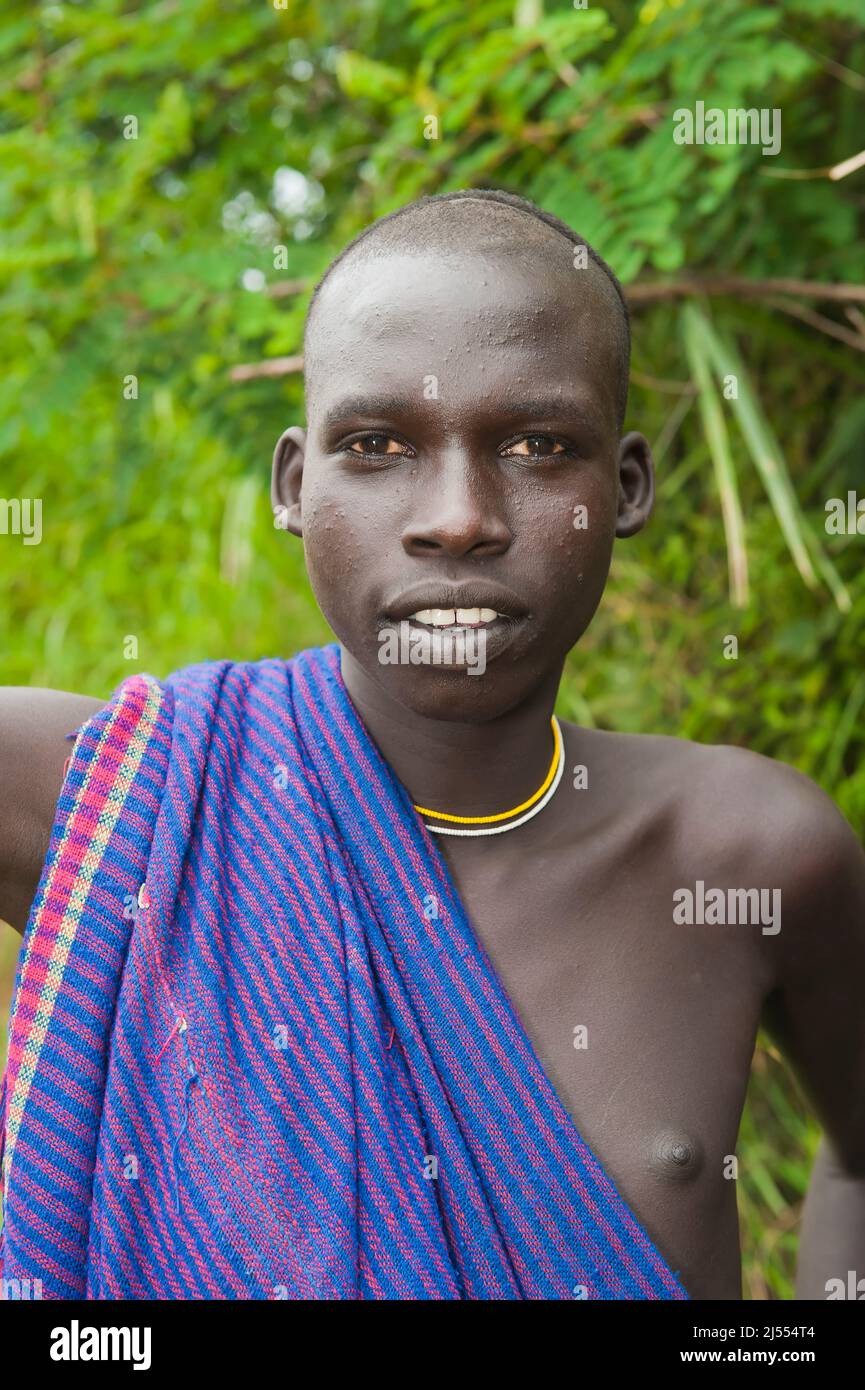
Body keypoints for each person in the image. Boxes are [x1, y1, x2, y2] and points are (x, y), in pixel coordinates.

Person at [1, 189, 863, 1301]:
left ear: (626, 487)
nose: (457, 516)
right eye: (376, 445)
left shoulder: (752, 854)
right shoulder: (119, 795)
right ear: (296, 487)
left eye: (538, 444)